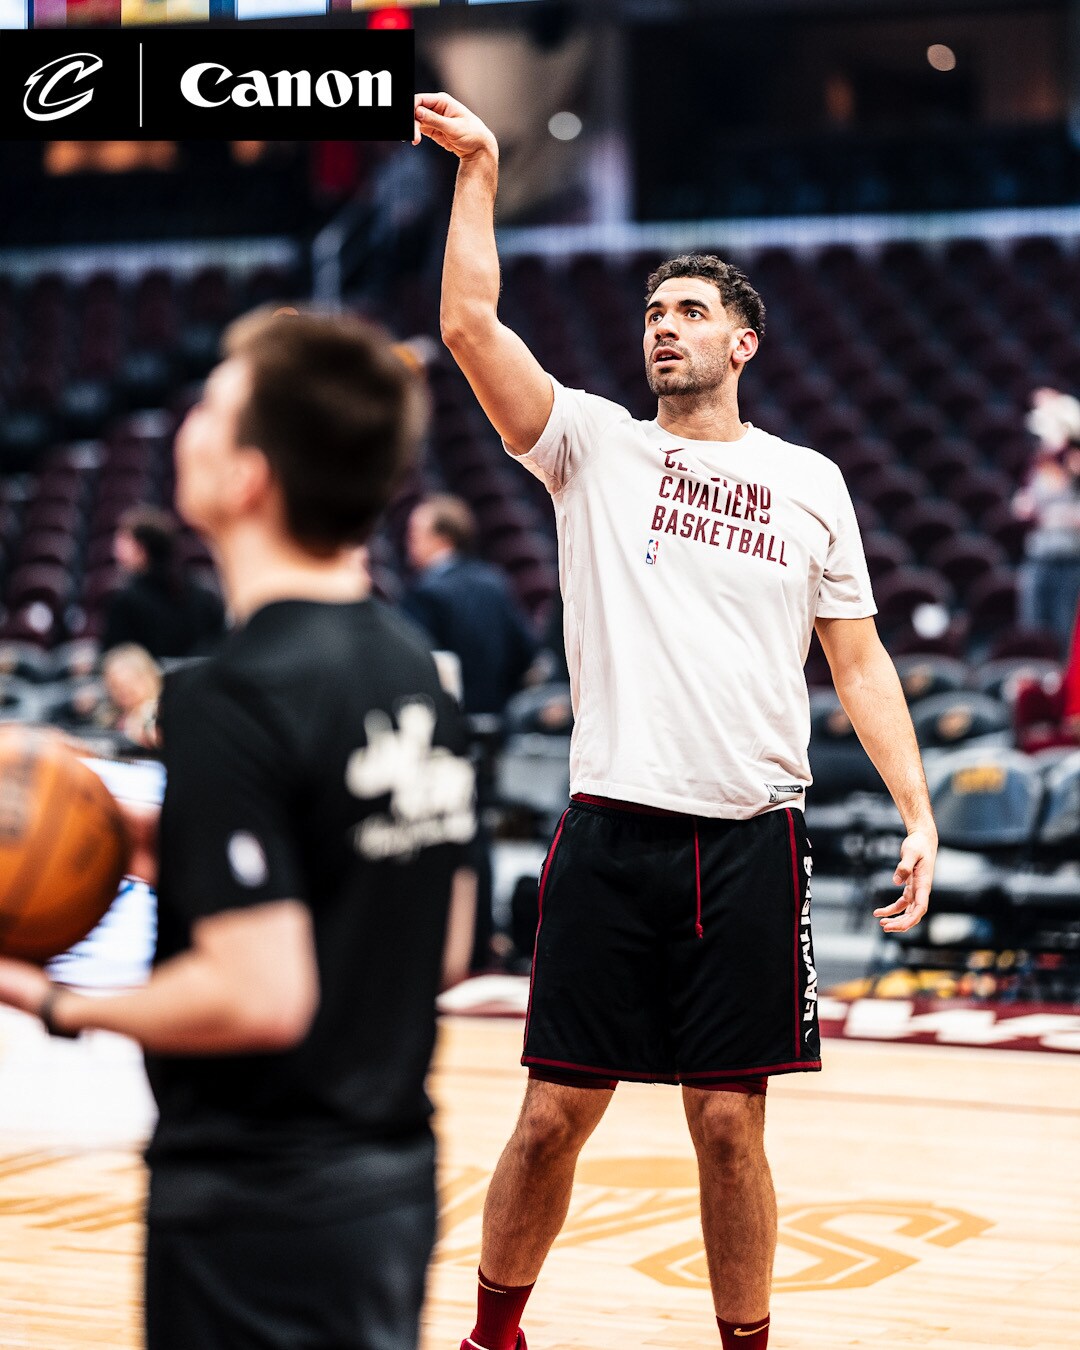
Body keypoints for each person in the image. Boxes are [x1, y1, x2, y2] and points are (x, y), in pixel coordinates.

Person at [414, 91, 937, 1350]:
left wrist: (917, 809)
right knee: (550, 1118)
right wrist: (480, 171)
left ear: (743, 342)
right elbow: (469, 324)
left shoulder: (810, 484)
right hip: (610, 834)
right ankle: (495, 1336)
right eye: (653, 311)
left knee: (728, 1124)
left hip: (751, 842)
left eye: (691, 311)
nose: (665, 328)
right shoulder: (591, 446)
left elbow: (858, 663)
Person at [0, 307, 477, 1350]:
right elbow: (435, 942)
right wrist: (177, 857)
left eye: (211, 408)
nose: (185, 429)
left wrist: (55, 1001)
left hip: (255, 1202)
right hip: (391, 1184)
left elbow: (261, 996)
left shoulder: (227, 697)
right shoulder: (414, 671)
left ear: (249, 477)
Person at [402, 493, 538, 717]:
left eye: (415, 535)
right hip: (500, 720)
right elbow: (525, 652)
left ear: (443, 538)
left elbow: (413, 667)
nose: (408, 544)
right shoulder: (495, 582)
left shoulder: (425, 593)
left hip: (451, 721)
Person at [102, 504, 226, 658]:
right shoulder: (203, 592)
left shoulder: (126, 601)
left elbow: (114, 657)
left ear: (141, 550)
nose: (115, 552)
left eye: (123, 543)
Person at [1013, 387, 1080, 655]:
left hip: (1070, 561)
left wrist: (1056, 516)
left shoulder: (1075, 461)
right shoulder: (1039, 463)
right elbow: (1024, 504)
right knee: (1032, 630)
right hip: (1039, 558)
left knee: (1065, 630)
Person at [101, 642, 163, 749]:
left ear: (149, 676)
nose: (123, 690)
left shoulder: (161, 711)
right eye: (115, 686)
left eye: (130, 681)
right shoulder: (110, 720)